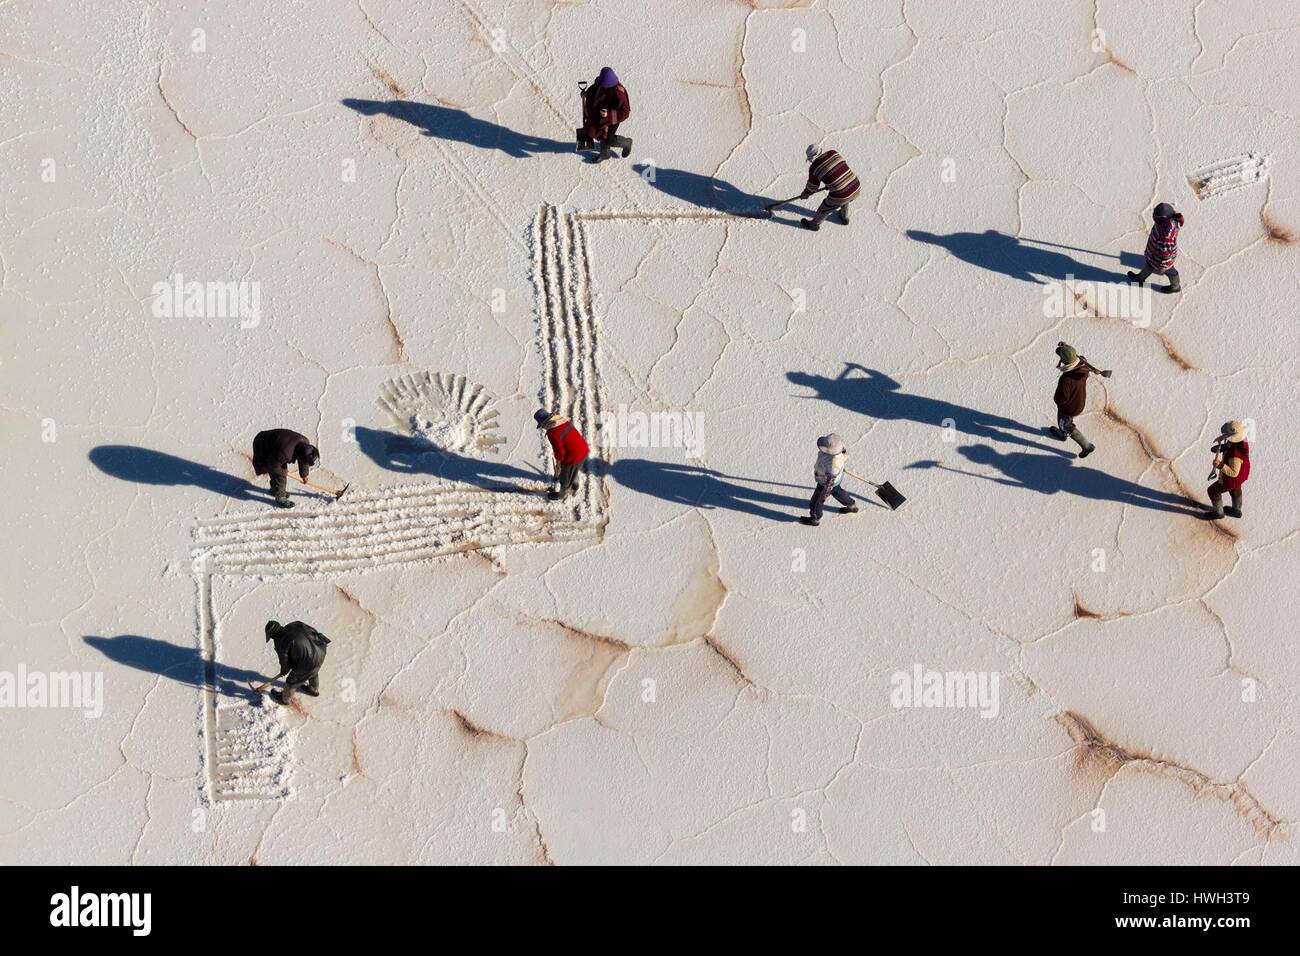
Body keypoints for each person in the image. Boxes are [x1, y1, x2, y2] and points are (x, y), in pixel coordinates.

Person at [1049, 343, 1110, 459]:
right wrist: (1066, 347)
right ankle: (1064, 431)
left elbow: (1061, 399)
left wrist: (1056, 399)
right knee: (1066, 422)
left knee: (1066, 424)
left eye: (1061, 357)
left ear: (1065, 362)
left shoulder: (1067, 380)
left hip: (1068, 408)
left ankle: (1085, 445)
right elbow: (1079, 357)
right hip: (1079, 402)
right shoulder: (1084, 368)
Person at [263, 620, 330, 705]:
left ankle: (284, 699)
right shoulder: (294, 624)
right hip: (321, 649)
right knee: (313, 669)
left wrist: (284, 670)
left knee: (292, 680)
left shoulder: (280, 641)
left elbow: (284, 660)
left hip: (308, 660)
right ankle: (313, 689)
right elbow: (311, 629)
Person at [798, 145, 862, 231]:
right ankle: (844, 216)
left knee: (824, 208)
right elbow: (838, 171)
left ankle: (814, 225)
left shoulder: (814, 167)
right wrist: (831, 184)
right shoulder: (833, 153)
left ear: (811, 158)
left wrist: (806, 194)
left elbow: (812, 187)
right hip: (856, 187)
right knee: (845, 196)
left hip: (842, 194)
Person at [800, 434, 858, 526]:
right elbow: (844, 454)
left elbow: (829, 483)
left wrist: (824, 495)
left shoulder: (833, 466)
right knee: (838, 492)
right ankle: (851, 505)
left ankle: (815, 518)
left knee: (816, 501)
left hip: (825, 483)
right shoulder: (839, 450)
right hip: (835, 480)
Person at [252, 428, 319, 508]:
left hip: (276, 445)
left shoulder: (305, 444)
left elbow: (303, 460)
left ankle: (275, 490)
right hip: (262, 445)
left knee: (280, 471)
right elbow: (274, 467)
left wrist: (304, 475)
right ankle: (280, 497)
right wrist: (283, 472)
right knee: (280, 475)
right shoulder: (285, 453)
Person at [1127, 202, 1184, 293]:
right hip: (1154, 253)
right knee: (1149, 265)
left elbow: (1166, 254)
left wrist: (1163, 265)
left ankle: (1175, 286)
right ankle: (1140, 279)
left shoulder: (1166, 237)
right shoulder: (1166, 222)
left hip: (1161, 258)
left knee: (1169, 270)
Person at [535, 409, 589, 500]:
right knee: (574, 469)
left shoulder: (552, 432)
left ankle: (561, 494)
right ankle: (575, 484)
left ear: (544, 423)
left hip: (574, 455)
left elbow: (560, 452)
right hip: (583, 449)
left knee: (565, 476)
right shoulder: (560, 420)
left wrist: (559, 461)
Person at [582, 66, 632, 163]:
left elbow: (625, 112)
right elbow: (593, 90)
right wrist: (586, 94)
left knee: (609, 139)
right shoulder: (599, 84)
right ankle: (605, 153)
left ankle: (626, 143)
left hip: (613, 117)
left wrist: (608, 114)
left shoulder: (619, 92)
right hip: (598, 113)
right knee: (592, 130)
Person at [1204, 421, 1249, 519]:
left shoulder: (1234, 456)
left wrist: (1220, 465)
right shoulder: (1243, 440)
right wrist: (1223, 447)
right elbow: (1234, 444)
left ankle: (1218, 513)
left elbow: (1233, 472)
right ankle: (1236, 510)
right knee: (1235, 488)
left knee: (1213, 491)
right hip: (1242, 474)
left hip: (1230, 478)